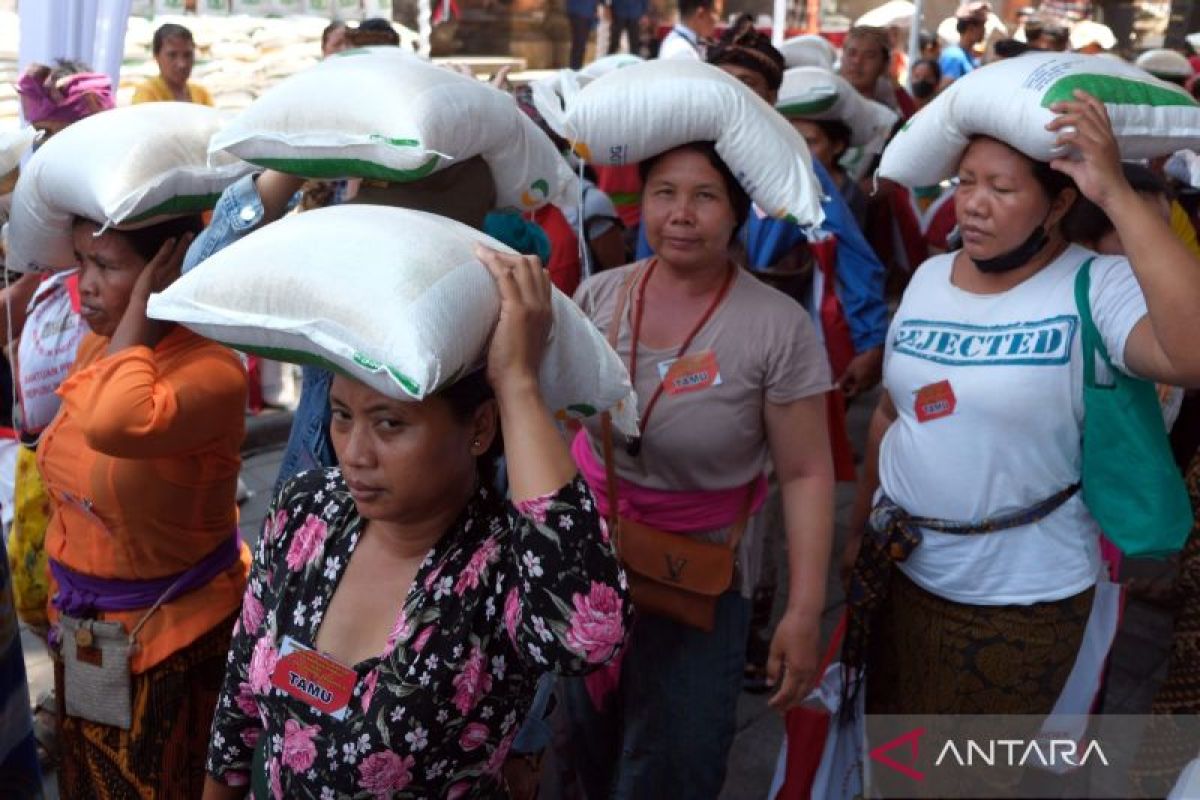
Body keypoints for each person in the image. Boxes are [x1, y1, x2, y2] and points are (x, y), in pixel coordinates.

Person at [841, 88, 1200, 758]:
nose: (972, 204)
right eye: (965, 182)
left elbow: (1192, 354)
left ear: (1059, 204)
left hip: (1021, 599)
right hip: (901, 572)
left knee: (968, 775)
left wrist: (1116, 191)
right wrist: (860, 526)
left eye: (1002, 188)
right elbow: (893, 413)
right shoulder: (928, 279)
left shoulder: (1098, 284)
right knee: (894, 758)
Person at [202, 247, 628, 797]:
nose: (355, 454)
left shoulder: (501, 568)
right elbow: (238, 701)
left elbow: (586, 637)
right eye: (342, 416)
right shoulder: (307, 510)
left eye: (389, 424)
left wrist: (517, 383)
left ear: (479, 428)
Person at [563, 139, 835, 796]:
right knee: (573, 756)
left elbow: (805, 473)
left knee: (674, 763)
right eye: (665, 193)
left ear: (738, 211)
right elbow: (559, 422)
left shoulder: (775, 325)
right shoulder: (599, 296)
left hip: (704, 575)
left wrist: (803, 612)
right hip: (589, 561)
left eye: (705, 196)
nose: (681, 214)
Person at [38, 214, 249, 798]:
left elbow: (115, 421)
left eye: (106, 266)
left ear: (168, 266)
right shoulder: (100, 348)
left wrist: (142, 315)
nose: (86, 285)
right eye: (81, 262)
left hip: (169, 644)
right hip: (87, 633)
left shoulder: (213, 370)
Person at [839, 25, 916, 119]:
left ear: (884, 63)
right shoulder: (826, 104)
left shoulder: (891, 114)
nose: (857, 61)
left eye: (869, 56)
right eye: (851, 53)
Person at [132, 23, 213, 106]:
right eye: (172, 55)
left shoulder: (202, 95)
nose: (182, 64)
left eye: (187, 55)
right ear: (156, 57)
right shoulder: (147, 92)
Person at [939, 5, 987, 81]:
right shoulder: (954, 56)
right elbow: (948, 85)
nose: (984, 31)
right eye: (982, 26)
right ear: (971, 28)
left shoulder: (971, 56)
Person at [568, 0, 601, 70]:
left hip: (588, 12)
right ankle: (574, 68)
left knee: (581, 44)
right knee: (579, 43)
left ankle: (576, 67)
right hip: (579, 12)